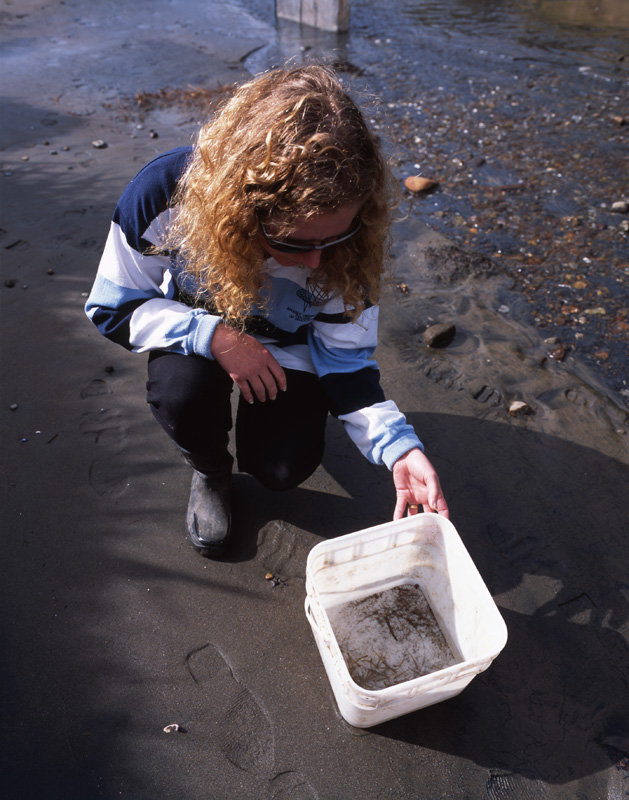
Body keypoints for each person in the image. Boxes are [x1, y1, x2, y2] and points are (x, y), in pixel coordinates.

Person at [85, 64, 449, 558]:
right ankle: (211, 471)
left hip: (289, 346)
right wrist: (217, 338)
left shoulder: (351, 242)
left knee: (280, 472)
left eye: (335, 236)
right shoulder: (165, 195)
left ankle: (270, 434)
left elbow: (347, 364)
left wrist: (399, 448)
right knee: (181, 396)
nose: (319, 261)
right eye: (296, 241)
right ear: (239, 208)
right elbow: (113, 307)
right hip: (195, 330)